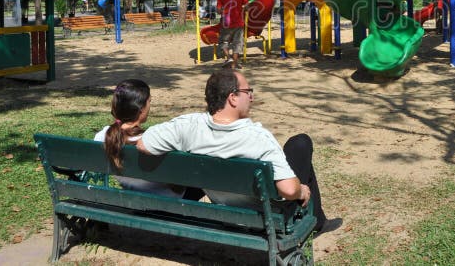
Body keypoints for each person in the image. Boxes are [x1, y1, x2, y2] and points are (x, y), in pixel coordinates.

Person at [137, 68, 338, 235]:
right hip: (263, 215)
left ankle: (320, 220)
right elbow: (288, 190)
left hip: (222, 205)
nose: (251, 96)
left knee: (298, 148)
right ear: (233, 98)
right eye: (247, 91)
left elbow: (144, 144)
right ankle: (319, 222)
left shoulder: (188, 126)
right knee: (300, 144)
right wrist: (301, 190)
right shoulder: (257, 138)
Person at [94, 79, 183, 198]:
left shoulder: (102, 136)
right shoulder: (152, 140)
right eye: (149, 102)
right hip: (165, 201)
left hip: (132, 197)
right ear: (141, 109)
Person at [217, 0, 249, 68]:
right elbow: (247, 7)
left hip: (226, 23)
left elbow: (219, 11)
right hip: (238, 22)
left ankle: (228, 58)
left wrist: (225, 10)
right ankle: (234, 63)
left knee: (223, 42)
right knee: (237, 43)